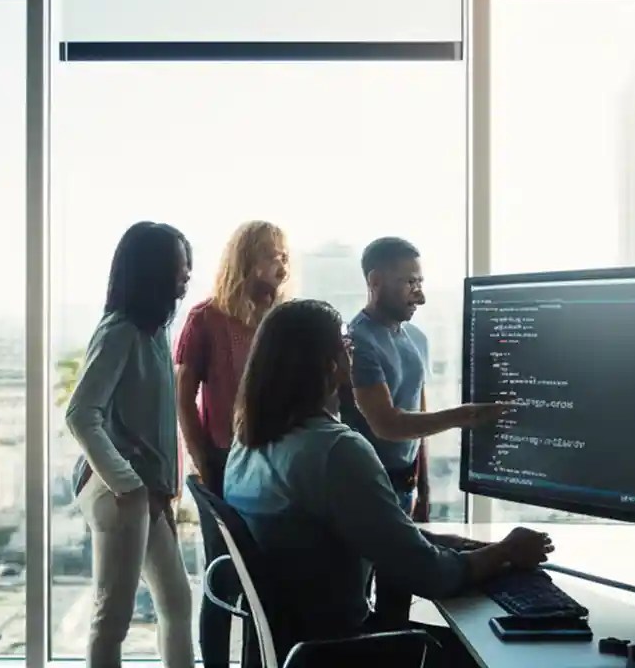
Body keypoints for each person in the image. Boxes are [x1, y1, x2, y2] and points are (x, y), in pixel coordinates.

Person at [223, 299, 553, 660]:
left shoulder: (248, 442)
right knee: (502, 653)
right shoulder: (335, 451)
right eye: (346, 345)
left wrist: (449, 544)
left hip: (294, 649)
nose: (352, 352)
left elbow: (350, 531)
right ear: (332, 365)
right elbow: (431, 576)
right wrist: (506, 551)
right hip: (344, 652)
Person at [339, 237, 509, 627]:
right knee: (356, 604)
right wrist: (466, 416)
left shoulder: (417, 338)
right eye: (410, 283)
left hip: (405, 486)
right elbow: (387, 423)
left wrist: (424, 488)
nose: (421, 295)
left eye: (421, 282)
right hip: (367, 491)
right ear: (376, 281)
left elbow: (419, 413)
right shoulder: (357, 343)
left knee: (398, 601)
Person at [67, 221, 195, 668]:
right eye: (179, 264)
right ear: (153, 270)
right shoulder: (120, 331)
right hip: (119, 493)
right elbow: (80, 414)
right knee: (112, 618)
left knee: (177, 603)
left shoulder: (153, 332)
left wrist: (159, 490)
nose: (187, 273)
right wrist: (129, 485)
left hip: (144, 494)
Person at [175, 220, 289, 668]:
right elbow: (183, 397)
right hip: (223, 461)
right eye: (270, 255)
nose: (281, 265)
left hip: (276, 464)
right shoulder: (205, 318)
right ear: (246, 259)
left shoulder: (283, 319)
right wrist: (203, 460)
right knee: (222, 576)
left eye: (284, 256)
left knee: (270, 580)